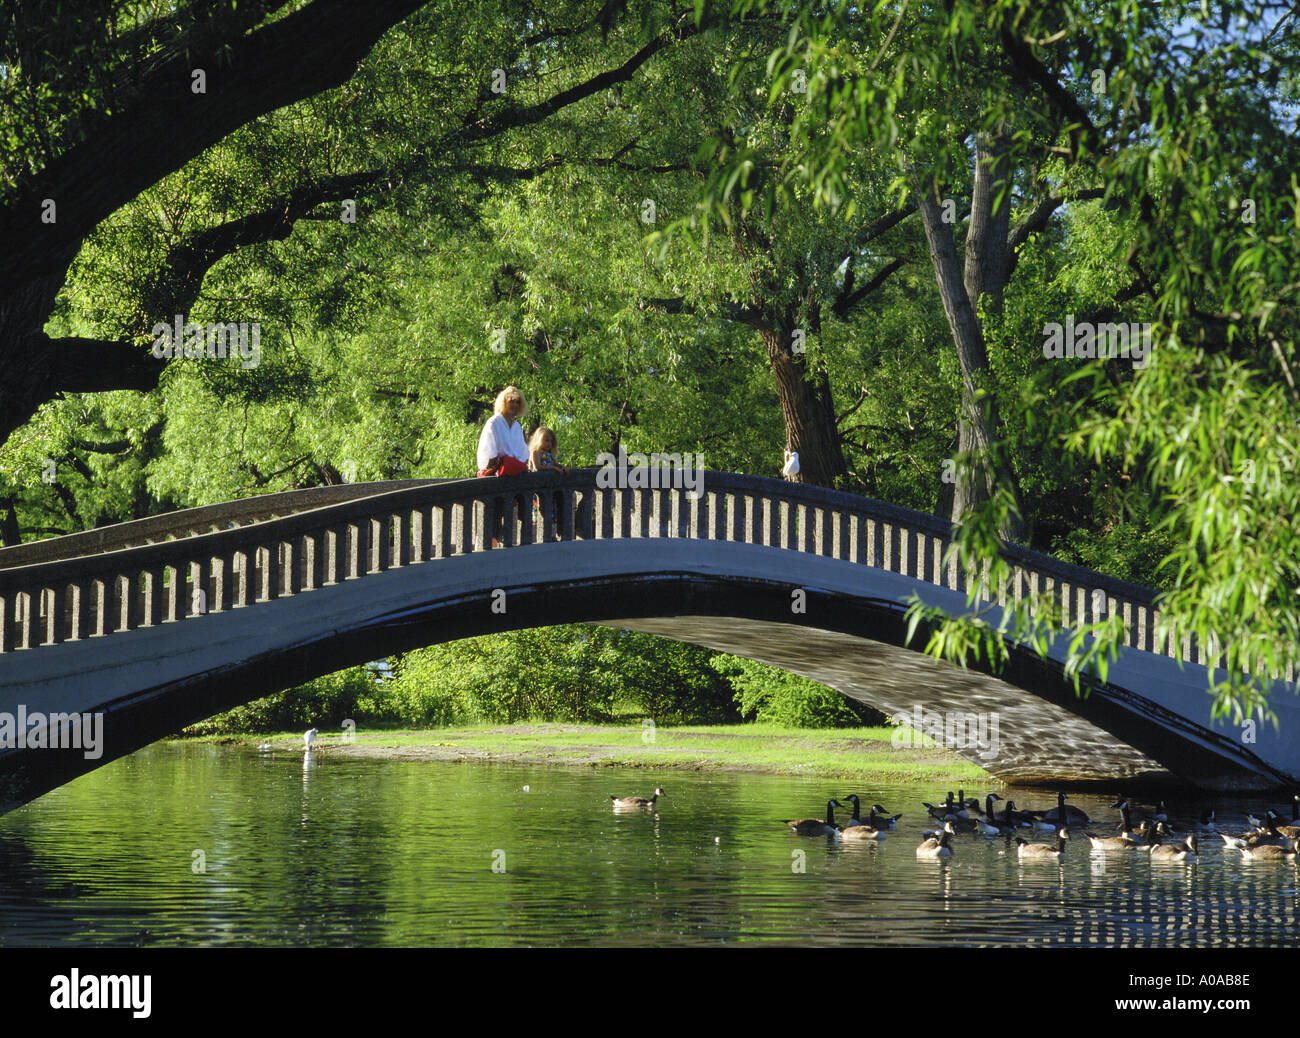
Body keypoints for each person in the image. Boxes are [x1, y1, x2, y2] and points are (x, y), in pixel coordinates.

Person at [476, 386, 530, 477]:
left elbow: (523, 454)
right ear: (504, 403)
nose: (515, 405)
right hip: (497, 474)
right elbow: (488, 455)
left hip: (515, 474)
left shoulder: (517, 426)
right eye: (511, 401)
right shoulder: (493, 423)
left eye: (518, 402)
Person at [528, 426, 567, 537]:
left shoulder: (550, 455)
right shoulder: (536, 453)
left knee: (554, 508)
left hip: (551, 486)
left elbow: (556, 464)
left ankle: (557, 531)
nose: (549, 443)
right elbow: (538, 467)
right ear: (538, 440)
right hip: (540, 486)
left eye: (551, 441)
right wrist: (553, 468)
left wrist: (562, 467)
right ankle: (546, 534)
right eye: (546, 440)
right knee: (543, 509)